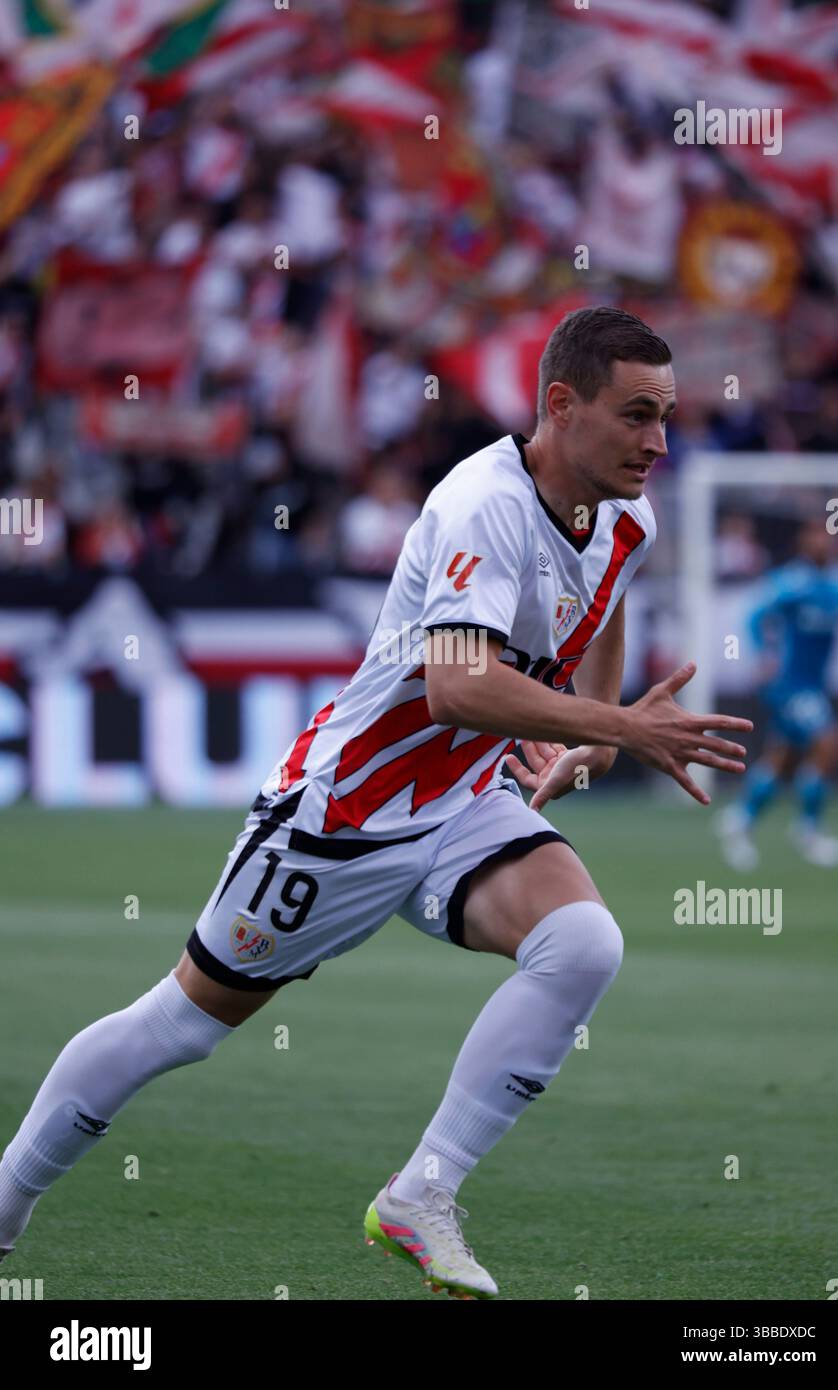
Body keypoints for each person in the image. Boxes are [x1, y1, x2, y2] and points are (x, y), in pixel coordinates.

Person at [0, 307, 752, 1299]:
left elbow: (603, 602)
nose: (659, 441)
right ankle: (7, 1201)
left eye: (666, 414)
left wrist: (587, 726)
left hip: (464, 801)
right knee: (178, 1026)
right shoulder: (478, 504)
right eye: (636, 415)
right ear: (559, 406)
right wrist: (617, 729)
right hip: (342, 814)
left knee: (583, 946)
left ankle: (420, 1194)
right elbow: (456, 687)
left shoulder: (625, 511)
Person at [716, 519, 838, 871]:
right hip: (788, 683)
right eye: (814, 535)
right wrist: (762, 655)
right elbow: (754, 616)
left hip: (814, 684)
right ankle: (808, 829)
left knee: (783, 757)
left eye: (826, 536)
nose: (821, 542)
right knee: (829, 745)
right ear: (804, 541)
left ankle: (740, 819)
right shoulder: (792, 582)